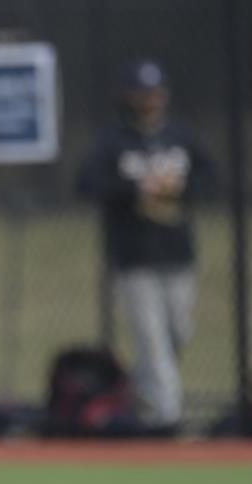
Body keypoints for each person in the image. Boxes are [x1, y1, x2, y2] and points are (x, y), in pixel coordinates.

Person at [74, 59, 218, 430]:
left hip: (177, 252)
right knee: (152, 341)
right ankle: (166, 419)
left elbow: (212, 175)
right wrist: (135, 189)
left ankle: (135, 392)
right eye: (142, 93)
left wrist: (178, 188)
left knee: (178, 332)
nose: (150, 100)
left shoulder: (179, 135)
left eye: (155, 93)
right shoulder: (114, 140)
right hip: (133, 256)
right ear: (128, 96)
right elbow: (86, 184)